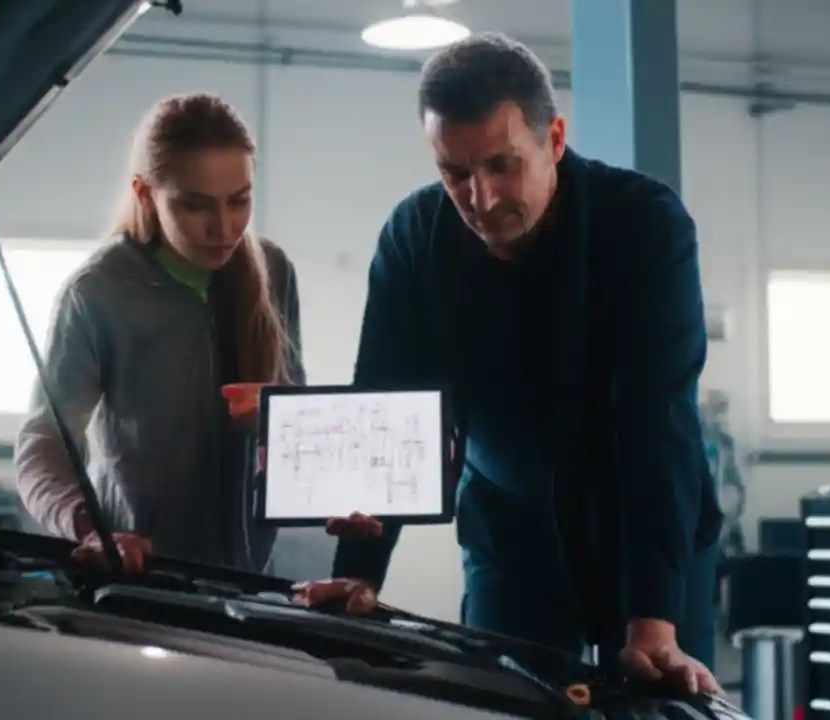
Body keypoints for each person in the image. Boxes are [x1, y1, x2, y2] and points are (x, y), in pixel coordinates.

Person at [292, 33, 723, 695]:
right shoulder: (413, 238)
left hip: (643, 523)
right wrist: (359, 572)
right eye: (455, 174)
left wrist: (654, 620)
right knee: (504, 703)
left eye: (502, 165)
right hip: (510, 533)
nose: (482, 198)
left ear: (553, 137)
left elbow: (655, 421)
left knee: (652, 700)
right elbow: (384, 410)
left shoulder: (644, 226)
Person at [14, 93, 304, 574]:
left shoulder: (274, 271)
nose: (224, 227)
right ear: (145, 193)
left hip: (248, 580)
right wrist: (90, 528)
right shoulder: (97, 292)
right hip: (138, 581)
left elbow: (298, 415)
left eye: (240, 200)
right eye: (196, 206)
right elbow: (43, 443)